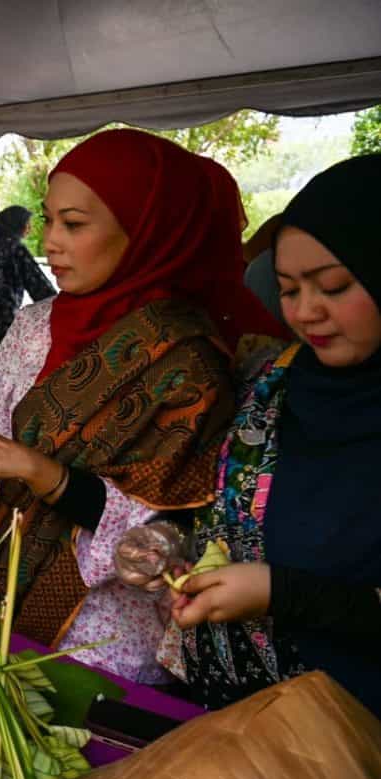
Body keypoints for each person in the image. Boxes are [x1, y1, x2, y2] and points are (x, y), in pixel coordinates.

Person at [0, 130, 287, 682]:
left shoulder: (187, 362)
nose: (53, 241)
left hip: (103, 638)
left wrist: (39, 470)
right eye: (49, 220)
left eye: (74, 223)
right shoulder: (33, 325)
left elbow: (173, 533)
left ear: (143, 232)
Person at [118, 154, 381, 714]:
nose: (307, 312)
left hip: (356, 740)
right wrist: (172, 548)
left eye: (333, 287)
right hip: (240, 720)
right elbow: (234, 512)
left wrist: (280, 594)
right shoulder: (272, 383)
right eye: (287, 289)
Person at [0, 205, 57, 367]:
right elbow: (42, 291)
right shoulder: (15, 248)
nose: (29, 228)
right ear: (17, 224)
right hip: (1, 331)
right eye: (26, 223)